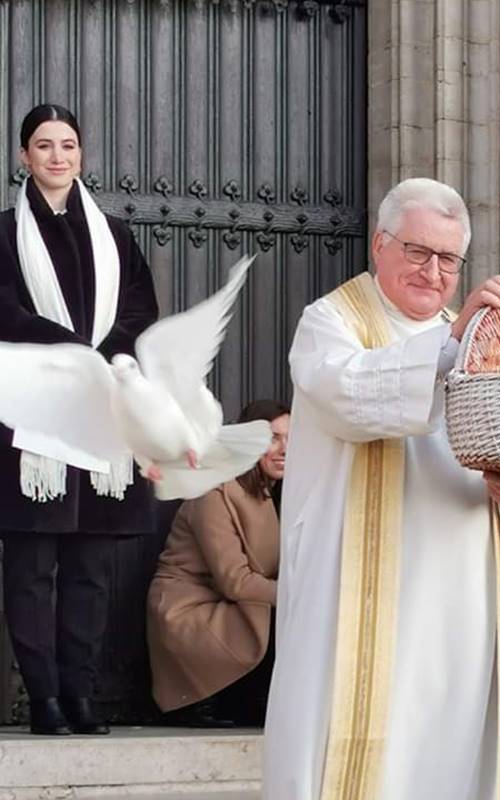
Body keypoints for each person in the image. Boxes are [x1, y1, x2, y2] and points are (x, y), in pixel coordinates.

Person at [262, 177, 500, 799]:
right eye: (418, 252)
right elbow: (350, 398)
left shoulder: (490, 343)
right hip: (356, 600)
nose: (433, 272)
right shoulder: (331, 323)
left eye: (449, 259)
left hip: (462, 604)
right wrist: (451, 344)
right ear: (380, 245)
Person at [0, 103, 158, 735]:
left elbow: (142, 310)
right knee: (32, 567)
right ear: (24, 157)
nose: (57, 156)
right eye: (44, 145)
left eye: (68, 145)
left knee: (92, 567)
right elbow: (3, 311)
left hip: (99, 411)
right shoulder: (3, 233)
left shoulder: (115, 236)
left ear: (81, 155)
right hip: (30, 417)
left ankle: (82, 696)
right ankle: (43, 700)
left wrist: (104, 355)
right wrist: (69, 349)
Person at [146, 399, 289, 727]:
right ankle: (212, 700)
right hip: (189, 609)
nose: (284, 449)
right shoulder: (214, 492)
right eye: (273, 438)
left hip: (232, 604)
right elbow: (234, 580)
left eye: (291, 439)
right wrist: (298, 595)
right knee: (287, 608)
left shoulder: (272, 492)